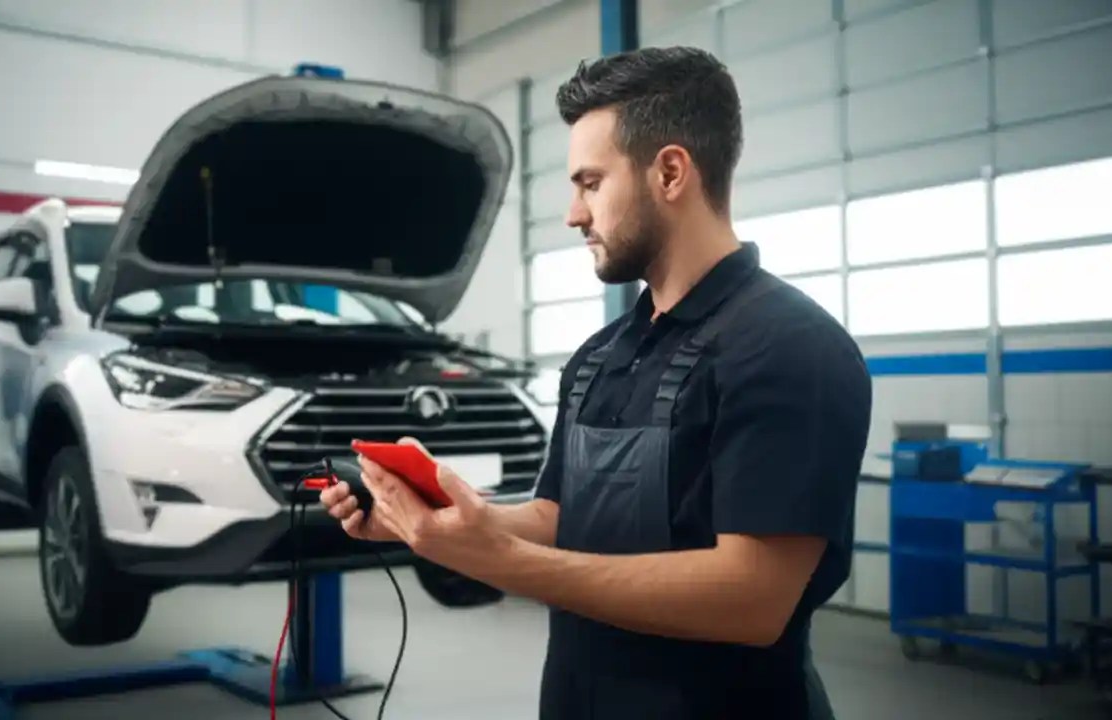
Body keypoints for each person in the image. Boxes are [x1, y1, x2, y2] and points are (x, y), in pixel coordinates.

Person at [319, 46, 872, 719]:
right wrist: (441, 520)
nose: (572, 214)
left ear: (670, 172)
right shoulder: (600, 356)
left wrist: (493, 559)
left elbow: (752, 598)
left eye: (589, 182)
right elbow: (560, 517)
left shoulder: (790, 348)